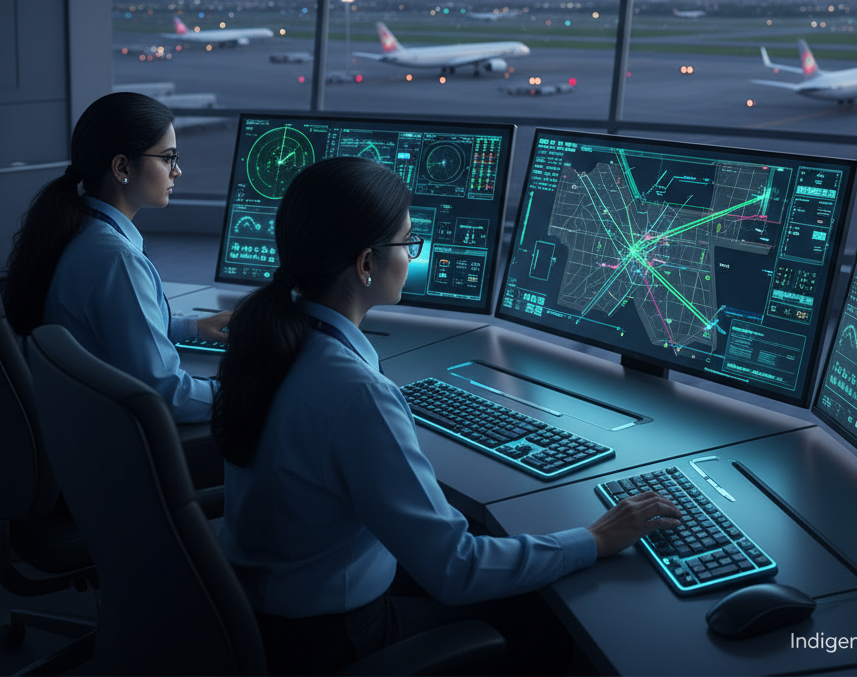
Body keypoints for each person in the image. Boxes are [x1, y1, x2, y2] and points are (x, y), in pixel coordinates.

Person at [212, 157, 681, 675]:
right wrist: (594, 538)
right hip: (332, 641)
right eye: (409, 243)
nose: (414, 255)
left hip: (265, 613)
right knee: (550, 625)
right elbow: (457, 570)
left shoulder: (269, 340)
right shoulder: (355, 391)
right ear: (367, 264)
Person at [3, 91, 231, 423]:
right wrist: (243, 396)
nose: (177, 171)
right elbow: (167, 394)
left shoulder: (78, 229)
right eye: (168, 158)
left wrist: (191, 327)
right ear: (122, 167)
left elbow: (112, 326)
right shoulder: (118, 261)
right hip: (122, 446)